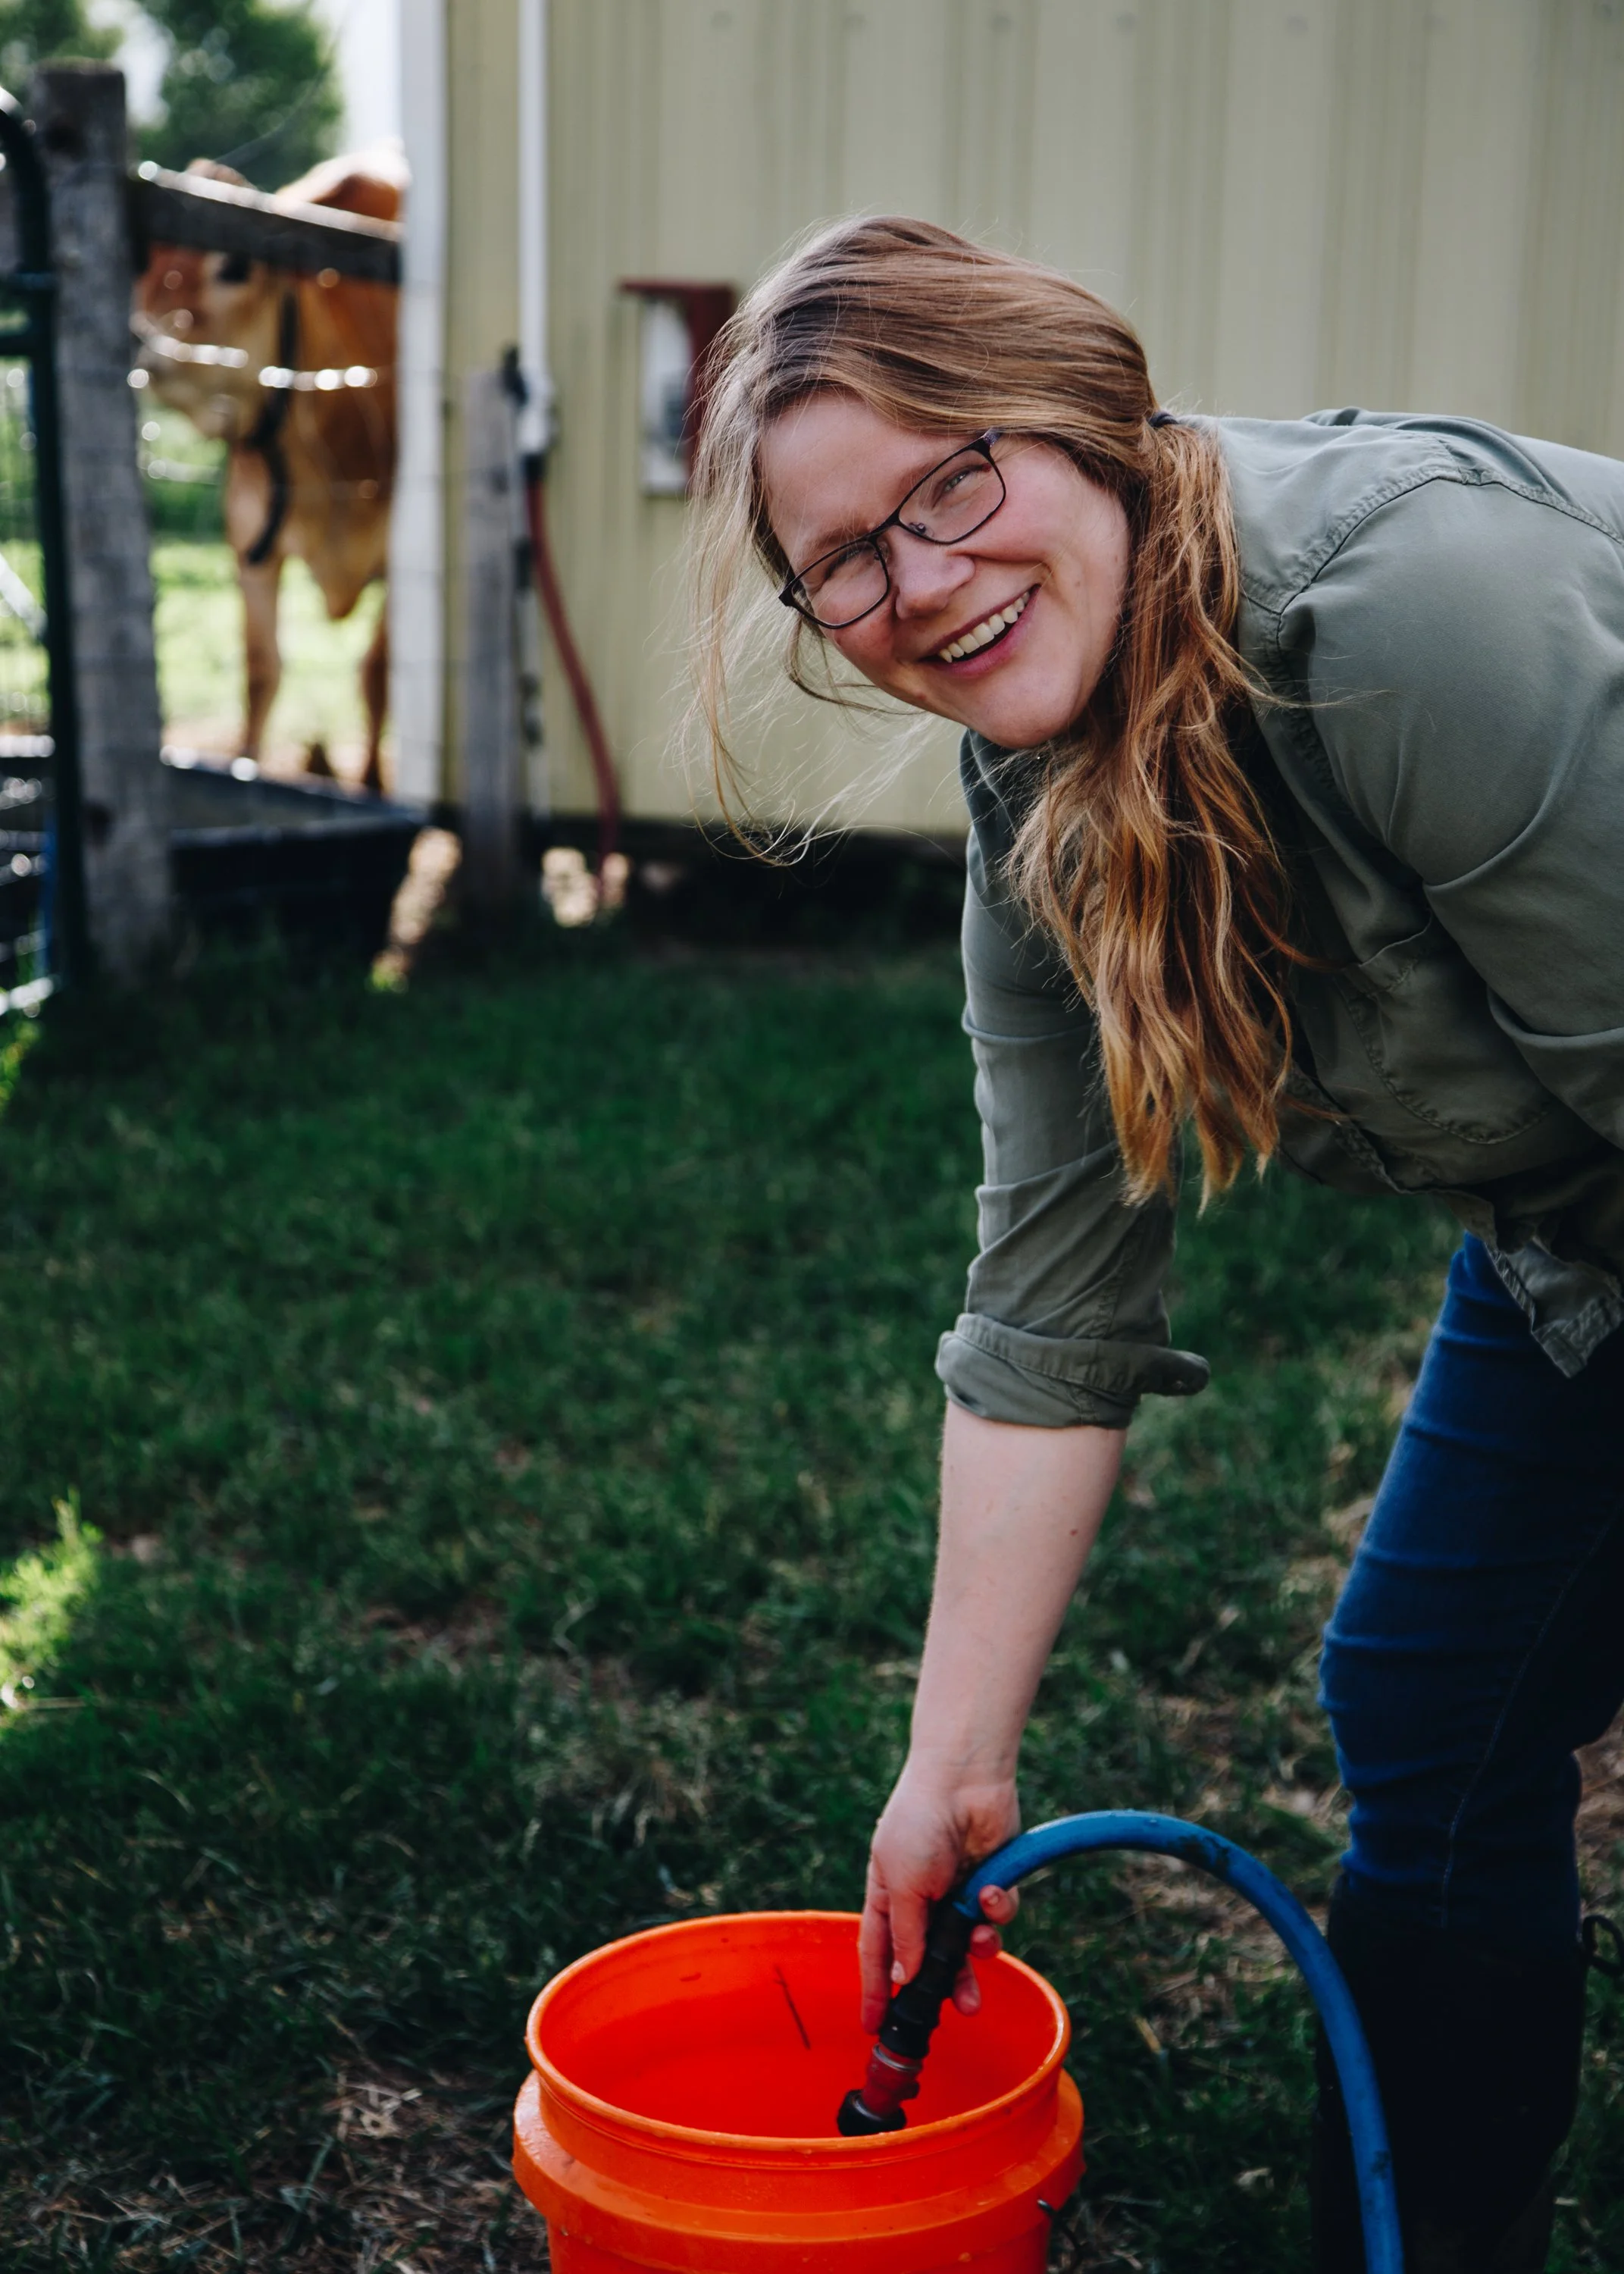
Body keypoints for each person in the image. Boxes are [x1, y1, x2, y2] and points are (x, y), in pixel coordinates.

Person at [691, 215, 1624, 2274]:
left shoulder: (1404, 608)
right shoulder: (1037, 801)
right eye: (844, 560)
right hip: (1579, 1234)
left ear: (1080, 417)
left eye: (954, 481)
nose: (922, 582)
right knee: (1435, 1701)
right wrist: (950, 1765)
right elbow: (1049, 1307)